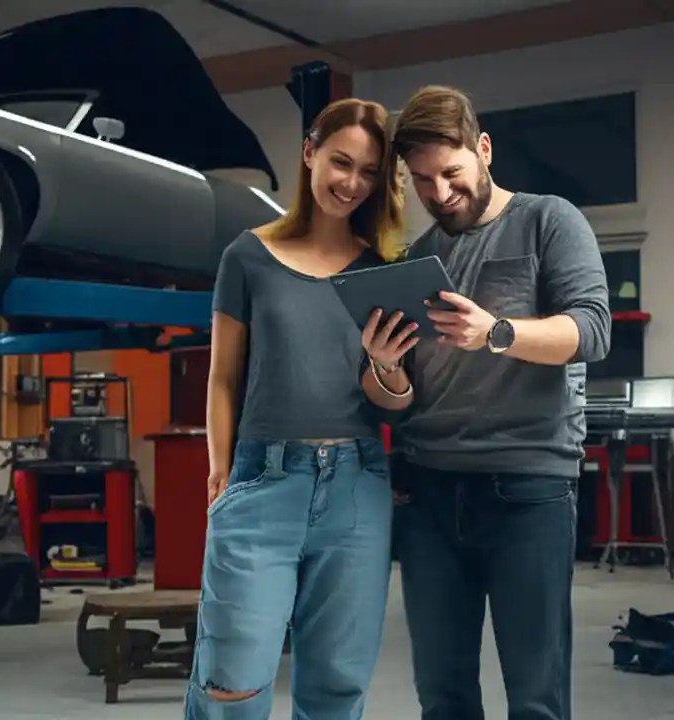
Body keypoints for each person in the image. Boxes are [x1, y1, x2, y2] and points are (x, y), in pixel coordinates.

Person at [381, 84, 612, 720]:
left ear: (483, 150)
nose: (439, 193)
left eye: (451, 173)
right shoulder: (416, 259)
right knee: (443, 696)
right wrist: (381, 363)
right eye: (422, 180)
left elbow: (592, 330)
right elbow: (399, 394)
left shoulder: (549, 220)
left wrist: (498, 332)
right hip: (428, 494)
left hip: (528, 488)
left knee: (536, 697)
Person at [184, 97, 415, 720]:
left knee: (337, 687)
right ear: (309, 153)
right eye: (341, 162)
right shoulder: (246, 257)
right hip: (262, 479)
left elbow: (392, 399)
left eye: (369, 172)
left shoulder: (381, 271)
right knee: (232, 677)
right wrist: (219, 467)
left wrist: (387, 365)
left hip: (358, 486)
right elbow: (223, 376)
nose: (351, 183)